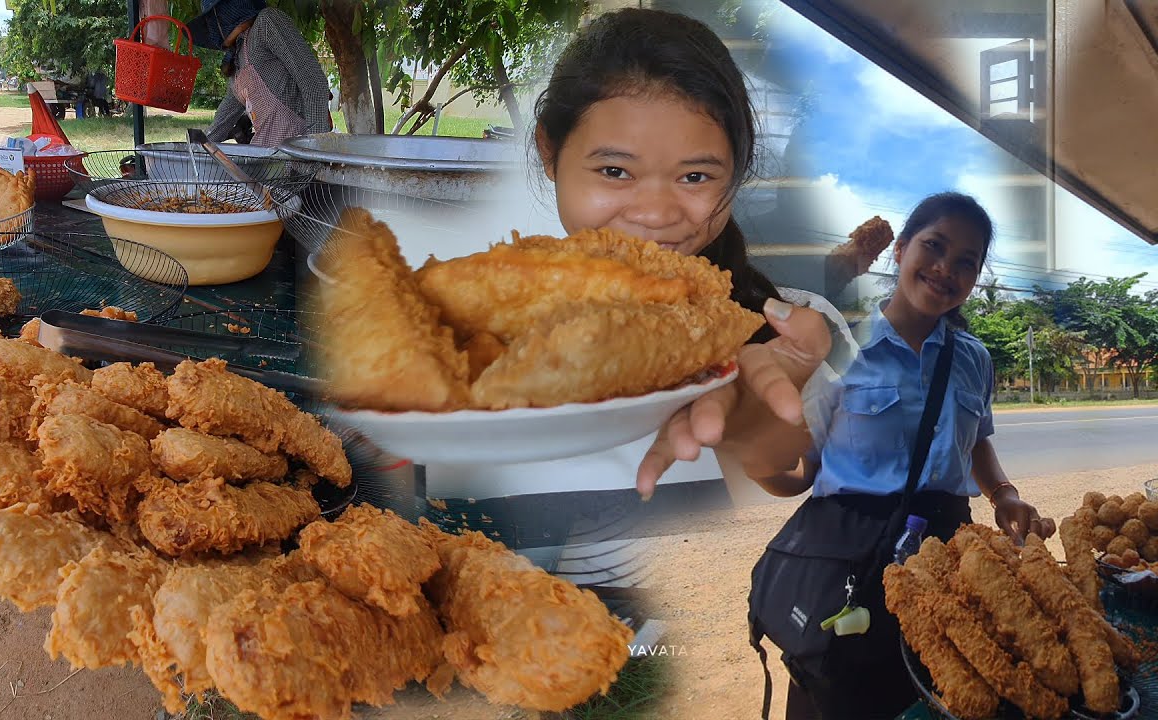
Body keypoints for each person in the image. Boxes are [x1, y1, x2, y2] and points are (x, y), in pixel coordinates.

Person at [421, 8, 846, 574]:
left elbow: (800, 478)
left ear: (736, 173)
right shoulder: (475, 320)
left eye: (695, 176)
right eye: (615, 172)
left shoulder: (790, 331)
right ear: (551, 152)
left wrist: (752, 426)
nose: (654, 215)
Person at [758, 192, 1055, 719]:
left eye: (967, 261)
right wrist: (751, 455)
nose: (946, 269)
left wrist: (1005, 495)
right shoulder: (835, 342)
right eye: (934, 246)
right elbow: (799, 472)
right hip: (850, 556)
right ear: (898, 249)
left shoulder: (973, 359)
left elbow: (976, 439)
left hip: (949, 553)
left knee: (945, 692)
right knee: (837, 696)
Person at [186, 0, 332, 148]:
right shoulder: (236, 61)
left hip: (300, 151)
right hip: (270, 160)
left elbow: (313, 82)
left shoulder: (266, 23)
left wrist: (316, 147)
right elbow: (222, 122)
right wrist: (198, 146)